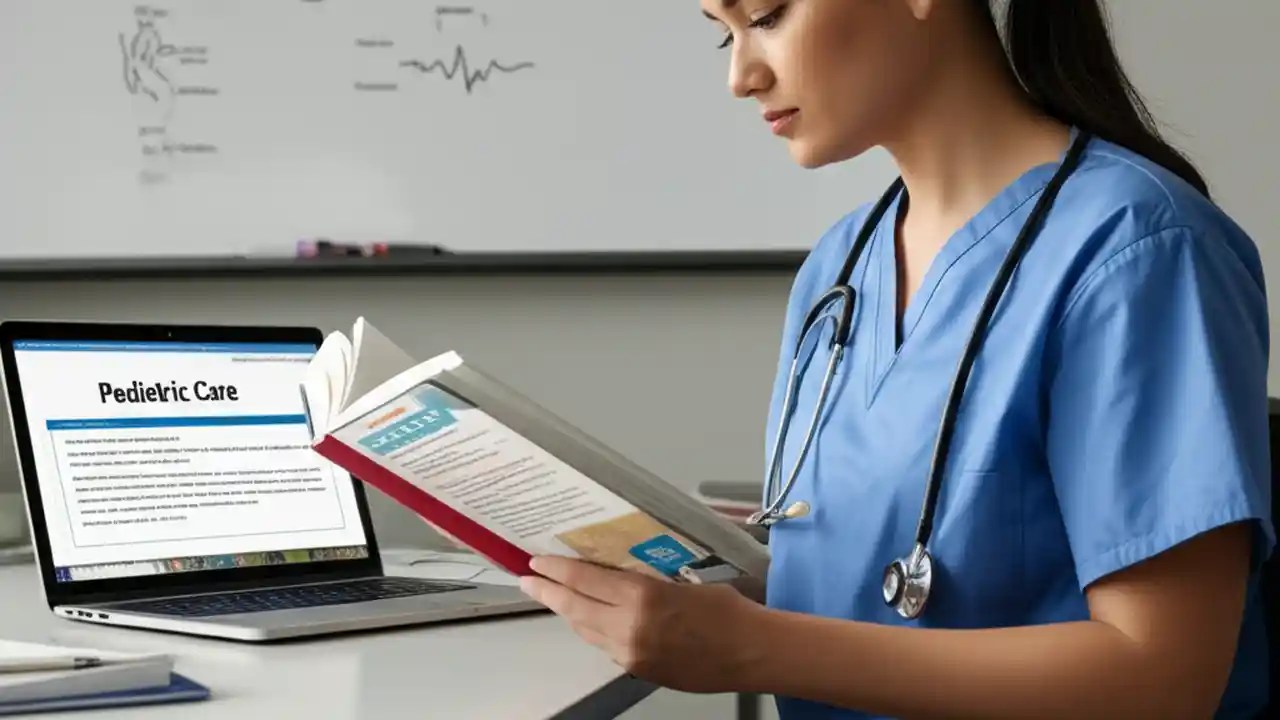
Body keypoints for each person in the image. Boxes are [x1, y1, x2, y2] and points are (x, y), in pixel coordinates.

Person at [517, 1, 1275, 717]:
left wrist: (753, 651)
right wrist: (711, 577)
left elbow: (1166, 678)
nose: (741, 75)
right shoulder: (839, 269)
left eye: (768, 17)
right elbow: (890, 587)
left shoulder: (1139, 251)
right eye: (726, 34)